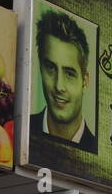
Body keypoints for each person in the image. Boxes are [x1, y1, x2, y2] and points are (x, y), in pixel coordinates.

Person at [32, 8, 97, 151]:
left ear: (85, 80)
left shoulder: (95, 150)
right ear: (40, 68)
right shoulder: (21, 130)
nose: (59, 86)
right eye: (50, 68)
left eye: (69, 74)